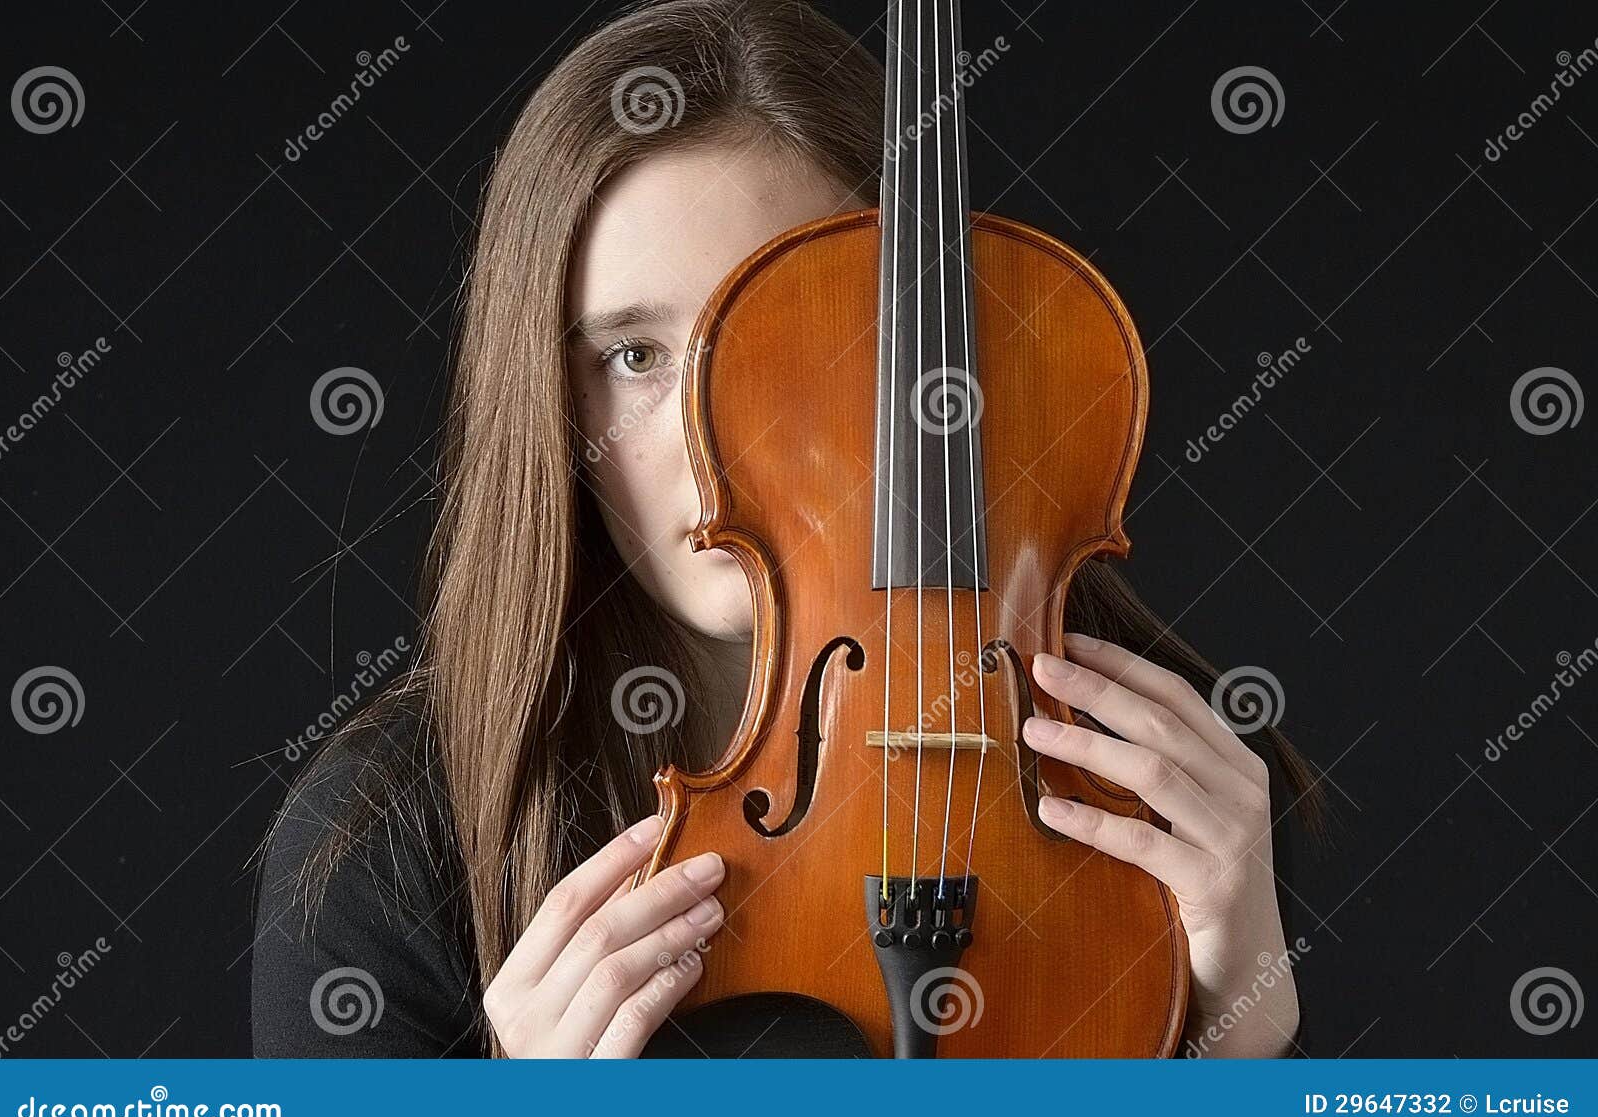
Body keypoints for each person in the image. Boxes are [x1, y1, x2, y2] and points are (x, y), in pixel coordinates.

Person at [252, 0, 1322, 1059]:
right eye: (633, 357)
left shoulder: (1150, 799)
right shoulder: (386, 840)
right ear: (549, 402)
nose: (707, 435)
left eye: (787, 339)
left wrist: (1238, 1046)